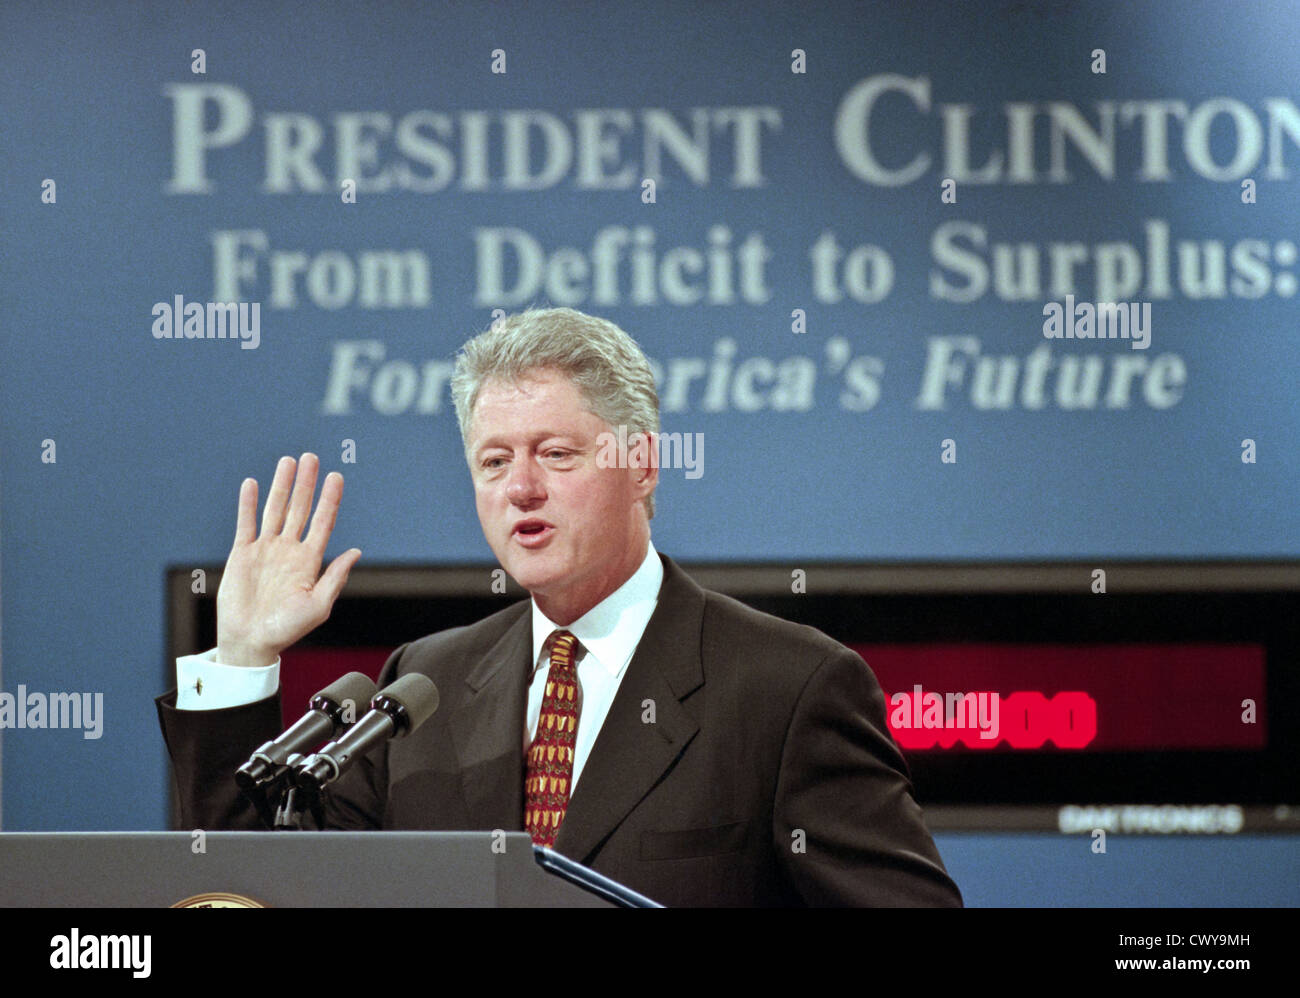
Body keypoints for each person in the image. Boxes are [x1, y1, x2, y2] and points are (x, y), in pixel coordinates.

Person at [156, 307, 962, 907]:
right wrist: (242, 659)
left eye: (557, 453)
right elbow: (256, 897)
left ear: (642, 464)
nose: (521, 488)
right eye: (494, 460)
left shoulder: (787, 688)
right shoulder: (423, 685)